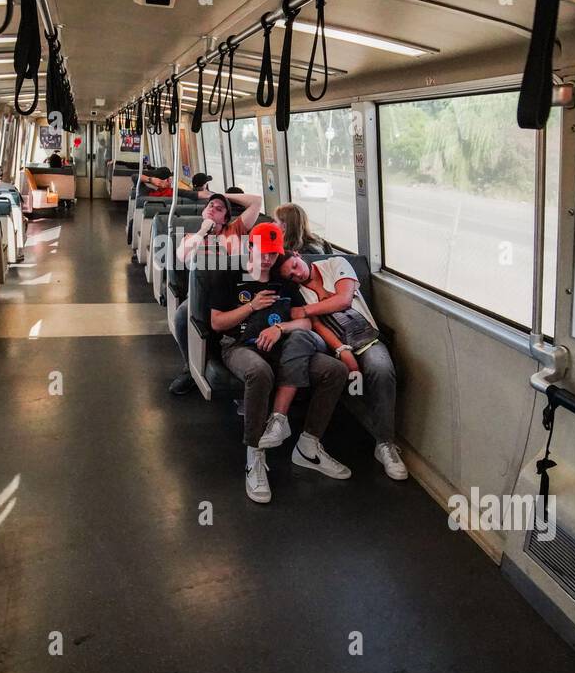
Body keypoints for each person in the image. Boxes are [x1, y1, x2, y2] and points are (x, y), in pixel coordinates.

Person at [210, 223, 350, 503]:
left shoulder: (282, 279)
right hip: (238, 346)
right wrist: (251, 306)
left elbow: (304, 320)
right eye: (262, 252)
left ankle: (308, 446)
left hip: (281, 346)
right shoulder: (226, 273)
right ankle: (255, 455)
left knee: (335, 370)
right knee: (259, 372)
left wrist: (280, 329)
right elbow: (216, 323)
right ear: (251, 247)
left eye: (272, 254)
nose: (266, 259)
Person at [277, 251, 408, 480]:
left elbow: (344, 299)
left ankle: (385, 444)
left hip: (364, 336)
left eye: (295, 266)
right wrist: (341, 350)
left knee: (381, 369)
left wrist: (307, 309)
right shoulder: (297, 291)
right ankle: (309, 442)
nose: (297, 275)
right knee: (331, 369)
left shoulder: (335, 264)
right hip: (332, 343)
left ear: (298, 255)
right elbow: (317, 325)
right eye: (290, 275)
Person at [167, 188, 263, 395]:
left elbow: (256, 201)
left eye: (219, 209)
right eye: (210, 205)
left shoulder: (236, 229)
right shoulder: (192, 236)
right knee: (182, 316)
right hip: (203, 294)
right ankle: (189, 366)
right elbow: (181, 257)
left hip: (234, 292)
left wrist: (222, 196)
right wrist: (203, 232)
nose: (213, 208)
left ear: (226, 217)